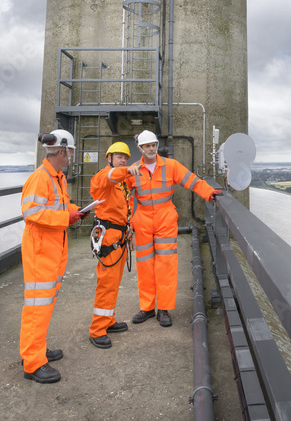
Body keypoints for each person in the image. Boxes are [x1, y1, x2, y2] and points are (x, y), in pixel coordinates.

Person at [129, 130, 221, 327]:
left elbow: (192, 180)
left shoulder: (170, 166)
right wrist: (128, 226)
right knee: (144, 266)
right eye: (147, 146)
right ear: (140, 149)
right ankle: (146, 308)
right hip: (143, 221)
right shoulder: (133, 170)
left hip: (165, 219)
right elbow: (125, 199)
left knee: (166, 265)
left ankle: (163, 309)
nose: (152, 148)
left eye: (153, 145)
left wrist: (210, 193)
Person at [19, 129, 89, 384]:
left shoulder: (56, 177)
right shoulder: (40, 178)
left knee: (44, 305)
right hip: (41, 251)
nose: (72, 155)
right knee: (37, 307)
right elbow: (31, 213)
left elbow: (56, 207)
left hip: (51, 248)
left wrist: (75, 210)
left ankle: (35, 350)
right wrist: (65, 217)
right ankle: (33, 363)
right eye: (70, 151)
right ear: (61, 151)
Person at [87, 142, 137, 348]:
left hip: (121, 235)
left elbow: (128, 208)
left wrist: (131, 235)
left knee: (114, 282)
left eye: (125, 157)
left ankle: (108, 319)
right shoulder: (103, 177)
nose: (123, 160)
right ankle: (97, 329)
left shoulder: (123, 183)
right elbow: (110, 177)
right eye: (118, 157)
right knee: (106, 283)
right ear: (109, 158)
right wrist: (126, 170)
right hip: (109, 237)